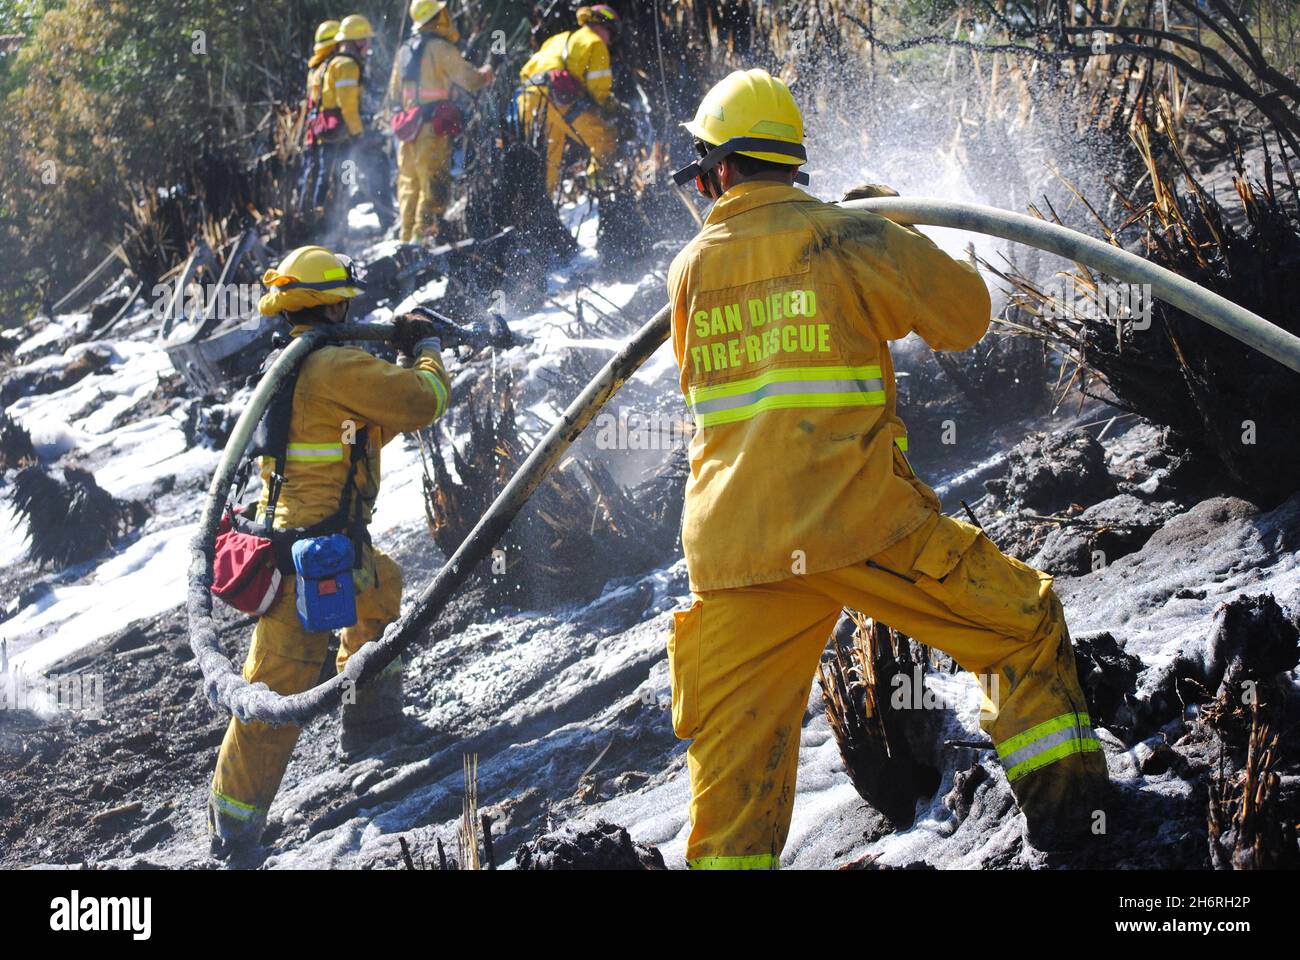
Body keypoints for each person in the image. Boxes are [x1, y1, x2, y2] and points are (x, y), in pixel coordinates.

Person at [663, 68, 1109, 869]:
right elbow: (967, 317)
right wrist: (896, 229)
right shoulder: (849, 237)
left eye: (702, 171)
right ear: (788, 160)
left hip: (735, 553)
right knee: (1022, 628)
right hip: (856, 521)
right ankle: (1076, 837)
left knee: (732, 788)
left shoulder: (689, 268)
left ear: (721, 169)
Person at [207, 245, 452, 858]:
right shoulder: (333, 366)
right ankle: (233, 826)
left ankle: (371, 720)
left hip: (334, 548)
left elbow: (369, 425)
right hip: (304, 564)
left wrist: (395, 370)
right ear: (337, 303)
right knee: (273, 692)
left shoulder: (297, 366)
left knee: (380, 589)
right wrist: (426, 352)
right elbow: (423, 403)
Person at [389, 0, 492, 243]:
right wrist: (485, 74)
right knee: (434, 185)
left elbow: (394, 94)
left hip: (408, 128)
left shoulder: (404, 50)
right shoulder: (439, 47)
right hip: (430, 130)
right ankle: (422, 242)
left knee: (409, 187)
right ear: (438, 16)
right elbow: (469, 79)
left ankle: (407, 243)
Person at [516, 4, 624, 194]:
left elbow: (525, 72)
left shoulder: (557, 39)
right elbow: (600, 92)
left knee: (545, 162)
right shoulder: (594, 42)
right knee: (604, 138)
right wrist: (616, 110)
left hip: (527, 100)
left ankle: (536, 210)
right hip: (556, 101)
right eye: (610, 34)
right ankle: (603, 194)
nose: (609, 41)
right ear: (604, 26)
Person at [310, 14, 376, 217]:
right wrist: (358, 133)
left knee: (326, 174)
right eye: (365, 39)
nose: (368, 45)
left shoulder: (334, 62)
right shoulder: (347, 65)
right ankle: (339, 216)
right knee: (347, 170)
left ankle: (321, 214)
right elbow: (348, 107)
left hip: (328, 130)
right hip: (342, 132)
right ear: (356, 40)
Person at [300, 19, 341, 215]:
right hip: (325, 130)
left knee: (314, 172)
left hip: (314, 131)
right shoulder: (330, 67)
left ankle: (310, 211)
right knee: (325, 173)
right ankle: (318, 212)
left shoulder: (315, 68)